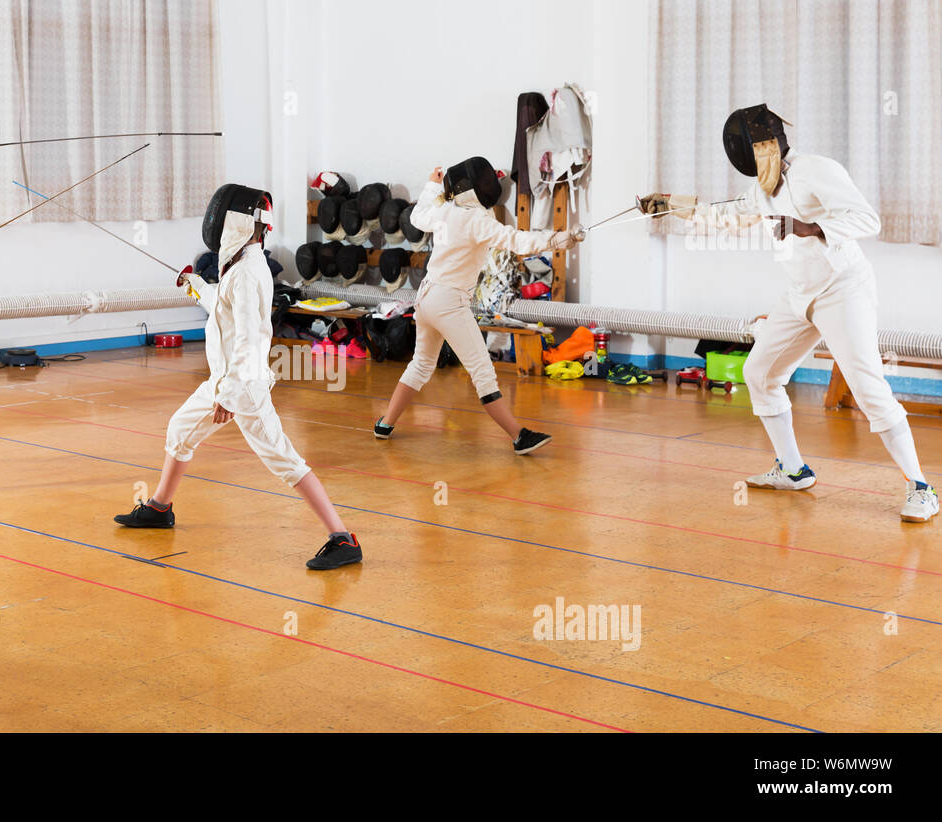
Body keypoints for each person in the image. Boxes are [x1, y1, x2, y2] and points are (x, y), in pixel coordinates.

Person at [640, 104, 936, 523]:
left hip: (843, 289)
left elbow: (867, 219)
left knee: (869, 389)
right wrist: (670, 205)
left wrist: (806, 227)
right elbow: (727, 215)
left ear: (767, 145)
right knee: (759, 373)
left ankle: (921, 486)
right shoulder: (761, 189)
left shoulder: (817, 169)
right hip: (800, 295)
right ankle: (793, 469)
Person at [113, 184, 362, 570]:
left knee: (284, 460)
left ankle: (342, 539)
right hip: (224, 381)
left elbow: (248, 339)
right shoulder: (238, 261)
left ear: (240, 222)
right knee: (180, 429)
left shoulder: (247, 271)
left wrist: (229, 395)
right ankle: (160, 508)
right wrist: (198, 288)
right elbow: (224, 307)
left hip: (245, 387)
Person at [374, 157, 584, 453]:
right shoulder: (477, 220)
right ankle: (518, 436)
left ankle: (385, 423)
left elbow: (417, 216)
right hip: (449, 303)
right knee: (482, 372)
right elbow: (516, 241)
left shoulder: (445, 210)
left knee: (421, 364)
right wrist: (559, 239)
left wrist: (431, 184)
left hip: (425, 297)